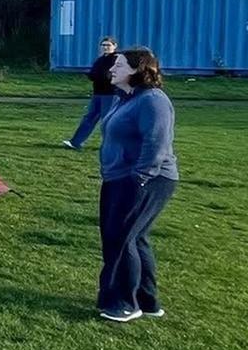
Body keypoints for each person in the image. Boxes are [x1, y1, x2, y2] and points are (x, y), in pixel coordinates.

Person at [96, 47, 177, 323]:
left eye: (118, 65)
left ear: (136, 69)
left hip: (147, 179)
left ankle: (125, 303)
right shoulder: (125, 98)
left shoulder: (153, 100)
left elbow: (156, 143)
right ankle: (148, 300)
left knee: (121, 237)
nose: (112, 69)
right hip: (119, 177)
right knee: (134, 237)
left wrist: (140, 177)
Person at [63, 36, 127, 149]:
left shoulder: (117, 59)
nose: (105, 47)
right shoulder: (100, 59)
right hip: (98, 92)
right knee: (89, 117)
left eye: (108, 45)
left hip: (111, 93)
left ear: (115, 46)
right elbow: (94, 74)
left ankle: (111, 145)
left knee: (107, 119)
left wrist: (101, 76)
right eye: (103, 45)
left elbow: (112, 75)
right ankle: (76, 142)